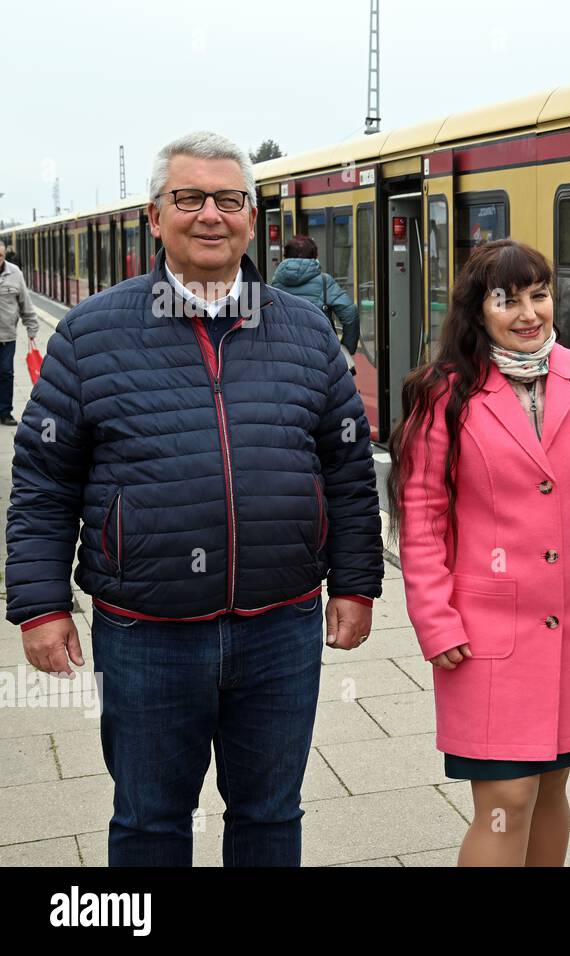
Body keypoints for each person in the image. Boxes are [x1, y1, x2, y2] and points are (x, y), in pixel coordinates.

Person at [5, 131, 384, 867]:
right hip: (146, 631)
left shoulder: (306, 334)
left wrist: (358, 583)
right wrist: (40, 605)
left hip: (282, 625)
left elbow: (346, 469)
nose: (210, 214)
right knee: (149, 823)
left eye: (228, 199)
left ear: (251, 218)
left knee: (271, 816)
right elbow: (44, 483)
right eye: (189, 198)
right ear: (156, 217)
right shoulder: (89, 337)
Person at [389, 238, 570, 867]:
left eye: (538, 295)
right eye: (506, 300)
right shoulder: (443, 393)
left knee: (553, 784)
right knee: (506, 793)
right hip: (485, 629)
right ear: (476, 309)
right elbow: (423, 518)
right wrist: (434, 619)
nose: (527, 313)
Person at [270, 234, 360, 362]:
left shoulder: (276, 282)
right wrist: (346, 348)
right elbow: (350, 313)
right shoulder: (324, 281)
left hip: (285, 351)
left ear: (285, 256)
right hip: (321, 351)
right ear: (315, 257)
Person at [0, 238, 39, 426]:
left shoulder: (15, 273)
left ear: (5, 254)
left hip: (7, 336)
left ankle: (5, 412)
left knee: (7, 374)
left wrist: (32, 327)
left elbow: (25, 302)